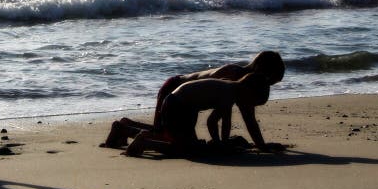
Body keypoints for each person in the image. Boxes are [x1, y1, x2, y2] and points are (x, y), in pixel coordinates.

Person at [104, 51, 285, 151]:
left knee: (183, 141)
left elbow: (248, 118)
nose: (267, 86)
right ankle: (124, 128)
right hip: (175, 90)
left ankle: (127, 127)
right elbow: (202, 89)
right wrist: (222, 143)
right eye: (270, 82)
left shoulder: (243, 87)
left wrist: (262, 146)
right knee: (166, 134)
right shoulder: (233, 76)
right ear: (262, 73)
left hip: (187, 105)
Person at [125, 73, 272, 157]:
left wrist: (220, 142)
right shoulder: (229, 94)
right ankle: (144, 139)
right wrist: (221, 144)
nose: (248, 106)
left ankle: (128, 130)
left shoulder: (230, 88)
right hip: (177, 106)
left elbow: (218, 122)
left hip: (183, 106)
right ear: (247, 90)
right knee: (183, 148)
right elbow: (218, 122)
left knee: (188, 144)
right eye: (251, 101)